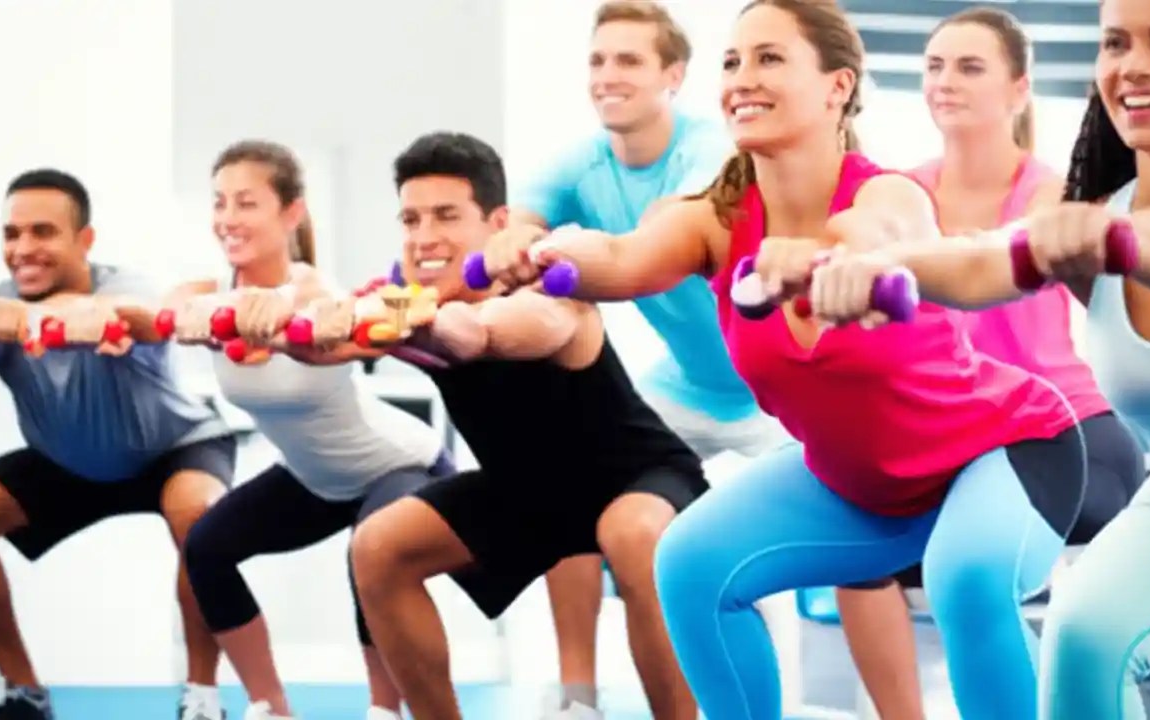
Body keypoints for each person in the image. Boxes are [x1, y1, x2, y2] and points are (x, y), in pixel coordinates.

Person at [479, 2, 1089, 719]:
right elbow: (619, 258)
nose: (742, 78)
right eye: (732, 61)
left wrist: (833, 256)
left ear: (837, 86)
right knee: (691, 565)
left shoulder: (886, 193)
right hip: (865, 485)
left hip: (1006, 450)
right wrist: (546, 253)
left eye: (769, 58)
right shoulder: (714, 218)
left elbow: (880, 232)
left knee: (968, 577)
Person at [819, 0, 1150, 716]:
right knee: (1084, 633)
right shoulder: (1103, 207)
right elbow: (977, 263)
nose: (1135, 64)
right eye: (1116, 42)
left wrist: (1118, 242)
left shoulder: (1100, 224)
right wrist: (873, 266)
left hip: (1074, 438)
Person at [290, 130, 708, 720]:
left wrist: (450, 325)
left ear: (497, 222)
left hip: (636, 478)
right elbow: (315, 346)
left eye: (446, 216)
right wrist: (276, 324)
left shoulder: (549, 289)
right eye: (410, 220)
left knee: (632, 533)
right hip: (527, 493)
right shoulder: (403, 302)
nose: (424, 237)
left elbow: (497, 330)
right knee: (379, 548)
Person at [510, 3, 792, 712]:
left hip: (776, 391)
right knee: (572, 482)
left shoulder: (708, 148)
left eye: (628, 61)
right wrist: (507, 253)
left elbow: (673, 222)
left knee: (844, 531)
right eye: (598, 61)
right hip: (688, 388)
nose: (608, 77)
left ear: (673, 75)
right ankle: (577, 695)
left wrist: (581, 251)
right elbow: (512, 231)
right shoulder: (582, 162)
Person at [156, 140, 451, 720]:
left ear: (291, 213)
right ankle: (270, 706)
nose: (228, 219)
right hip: (315, 480)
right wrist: (178, 312)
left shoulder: (313, 288)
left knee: (372, 555)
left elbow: (307, 298)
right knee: (208, 547)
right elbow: (163, 306)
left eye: (246, 203)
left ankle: (384, 710)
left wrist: (279, 305)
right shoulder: (209, 294)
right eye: (220, 203)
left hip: (401, 465)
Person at [0, 169, 236, 720]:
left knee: (200, 517)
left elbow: (124, 317)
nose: (23, 249)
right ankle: (23, 692)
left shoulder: (125, 287)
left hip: (173, 448)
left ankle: (202, 698)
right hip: (68, 461)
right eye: (11, 234)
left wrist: (20, 321)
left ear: (83, 241)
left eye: (42, 232)